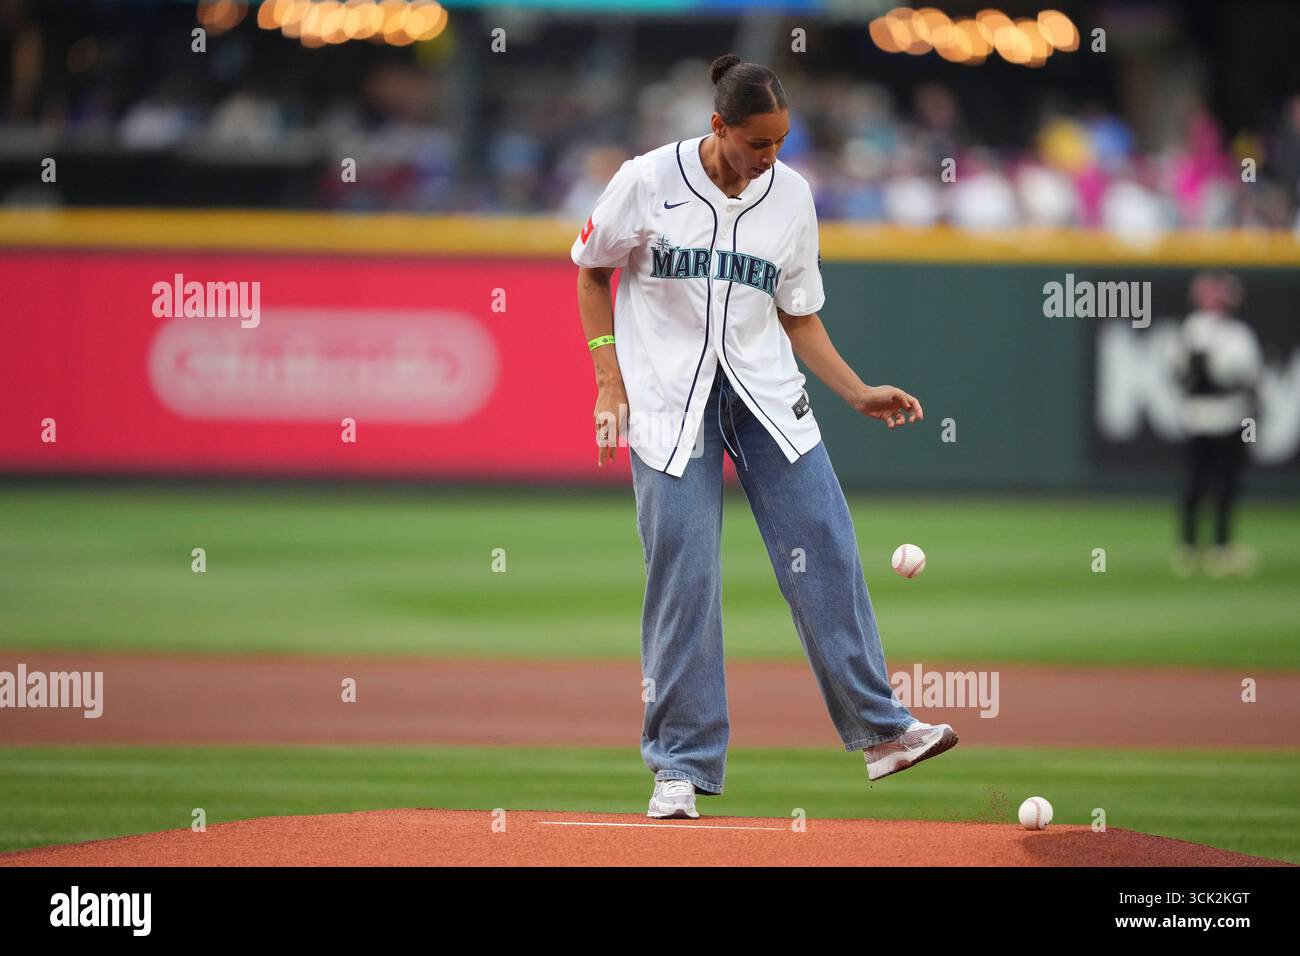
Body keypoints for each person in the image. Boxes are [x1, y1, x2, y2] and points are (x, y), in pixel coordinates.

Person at [571, 54, 957, 821]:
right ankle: (679, 767)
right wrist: (607, 380)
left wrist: (854, 390)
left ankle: (884, 732)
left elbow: (797, 311)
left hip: (765, 395)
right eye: (757, 144)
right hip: (668, 402)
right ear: (719, 127)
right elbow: (590, 271)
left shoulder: (792, 197)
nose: (769, 158)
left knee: (828, 544)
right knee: (685, 579)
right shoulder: (647, 179)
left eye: (780, 144)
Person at [1170, 271, 1263, 577]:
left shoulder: (1237, 333)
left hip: (1225, 416)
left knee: (1221, 484)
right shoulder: (1198, 329)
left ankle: (1213, 547)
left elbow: (1249, 381)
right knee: (1203, 482)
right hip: (1206, 415)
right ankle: (1195, 546)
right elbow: (1187, 374)